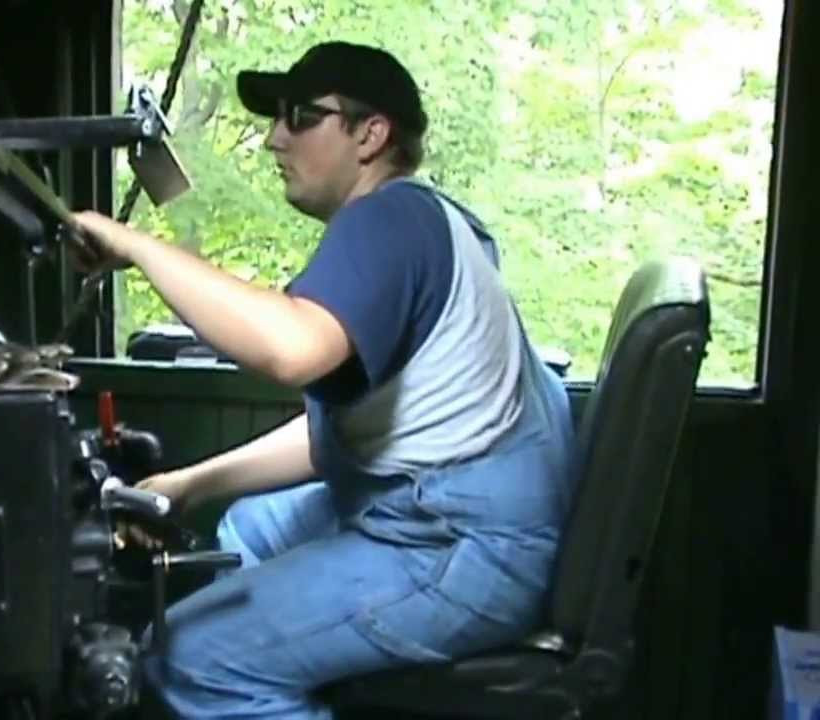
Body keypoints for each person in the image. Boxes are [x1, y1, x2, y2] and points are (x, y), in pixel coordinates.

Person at [71, 41, 579, 720]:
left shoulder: (392, 222)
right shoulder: (424, 223)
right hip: (443, 511)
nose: (274, 138)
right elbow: (334, 437)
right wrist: (187, 487)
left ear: (371, 134)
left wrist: (134, 244)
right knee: (248, 530)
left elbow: (289, 348)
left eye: (302, 117)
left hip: (461, 545)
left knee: (192, 658)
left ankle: (245, 687)